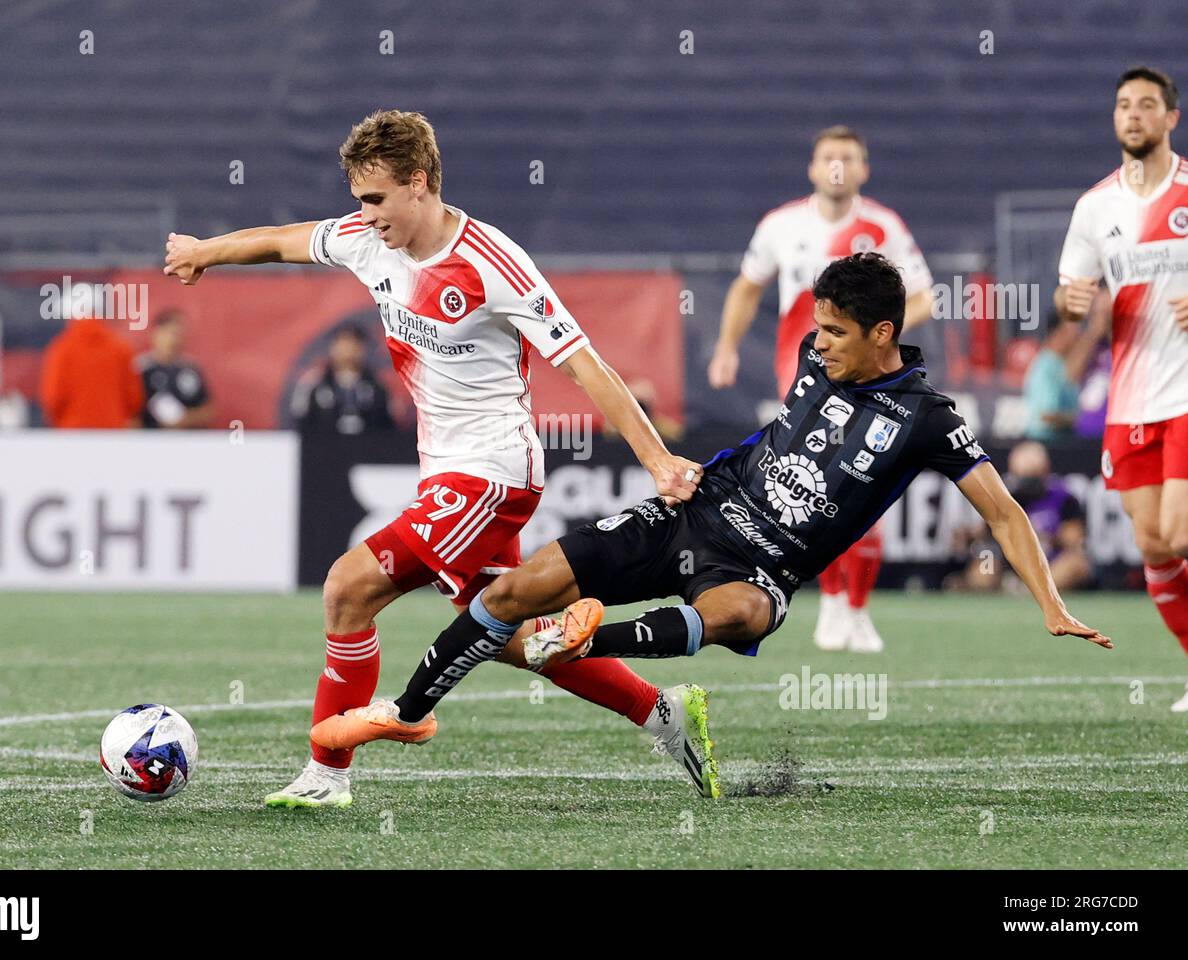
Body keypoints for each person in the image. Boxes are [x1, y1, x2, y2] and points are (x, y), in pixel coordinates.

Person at [316, 254, 1111, 766]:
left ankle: (580, 642)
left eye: (835, 332)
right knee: (508, 596)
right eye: (816, 328)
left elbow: (1006, 514)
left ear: (882, 333)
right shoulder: (814, 354)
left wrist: (1050, 603)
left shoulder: (927, 420)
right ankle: (406, 711)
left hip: (764, 566)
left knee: (743, 614)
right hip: (699, 509)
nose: (818, 343)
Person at [164, 109, 715, 806]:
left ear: (418, 183)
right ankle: (664, 712)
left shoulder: (493, 263)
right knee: (511, 636)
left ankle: (327, 772)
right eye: (359, 199)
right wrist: (204, 251)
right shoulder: (367, 239)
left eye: (375, 198)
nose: (362, 214)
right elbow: (279, 241)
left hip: (491, 475)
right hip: (448, 475)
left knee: (347, 587)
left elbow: (586, 365)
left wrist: (659, 461)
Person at [708, 126, 935, 654]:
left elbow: (923, 297)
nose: (837, 166)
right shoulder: (781, 226)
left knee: (867, 486)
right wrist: (726, 347)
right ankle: (833, 604)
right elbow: (747, 286)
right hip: (806, 379)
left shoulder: (883, 228)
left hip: (873, 383)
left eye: (848, 157)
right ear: (813, 168)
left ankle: (856, 608)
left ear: (863, 168)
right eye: (828, 157)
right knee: (816, 489)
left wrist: (883, 339)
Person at [1053, 66, 1188, 712]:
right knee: (1155, 545)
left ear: (1171, 119)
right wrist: (1071, 299)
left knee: (1181, 533)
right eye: (1123, 106)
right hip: (1131, 400)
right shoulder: (1095, 207)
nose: (1133, 115)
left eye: (1147, 105)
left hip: (1186, 392)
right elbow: (1068, 296)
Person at [951, 441, 1091, 593]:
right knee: (986, 559)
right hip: (1010, 561)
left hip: (1049, 560)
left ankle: (1029, 589)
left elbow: (1073, 539)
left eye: (1032, 477)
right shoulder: (1004, 497)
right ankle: (996, 586)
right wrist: (970, 535)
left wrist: (1040, 534)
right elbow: (985, 532)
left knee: (1075, 563)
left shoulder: (1063, 497)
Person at [39, 283, 143, 429]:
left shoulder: (61, 350)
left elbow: (53, 399)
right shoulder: (122, 349)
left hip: (72, 435)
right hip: (114, 435)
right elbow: (134, 399)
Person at [289, 324, 393, 434]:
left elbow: (388, 426)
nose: (348, 349)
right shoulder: (313, 385)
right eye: (343, 343)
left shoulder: (378, 388)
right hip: (324, 448)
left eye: (354, 343)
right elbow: (301, 422)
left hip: (367, 448)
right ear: (332, 347)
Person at [1022, 311, 1106, 442]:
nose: (1077, 335)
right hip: (1046, 443)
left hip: (1065, 441)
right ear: (1057, 333)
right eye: (1072, 330)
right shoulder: (1045, 367)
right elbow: (1046, 416)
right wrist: (1086, 420)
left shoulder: (1061, 365)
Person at [136, 309, 213, 429]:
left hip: (185, 441)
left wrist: (184, 420)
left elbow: (208, 410)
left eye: (178, 334)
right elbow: (128, 412)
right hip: (149, 440)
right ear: (155, 334)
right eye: (168, 333)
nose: (172, 340)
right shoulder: (140, 369)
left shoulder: (190, 369)